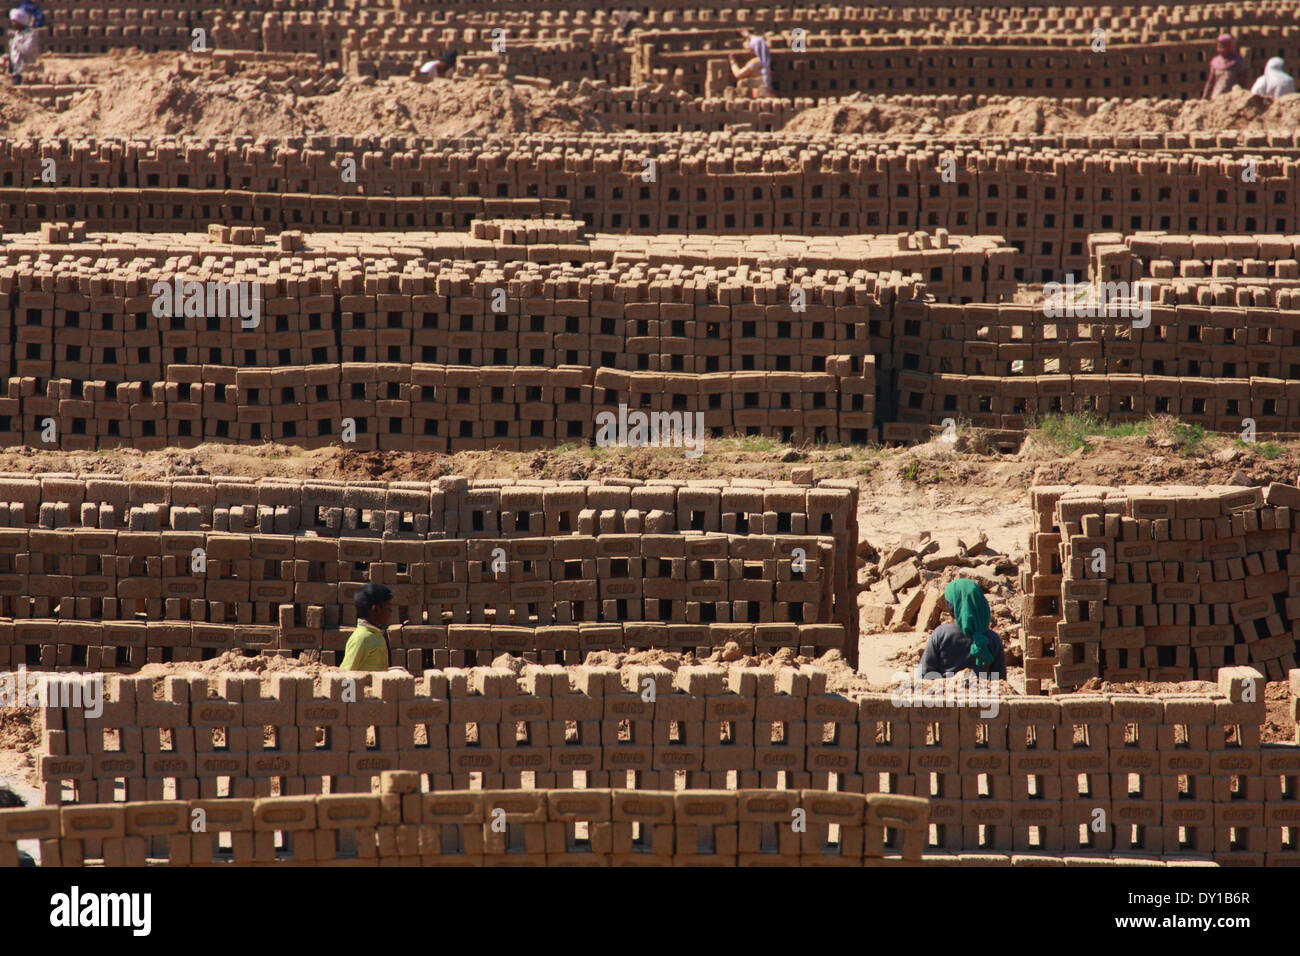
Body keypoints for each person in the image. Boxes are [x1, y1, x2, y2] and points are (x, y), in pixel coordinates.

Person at [917, 578, 1007, 681]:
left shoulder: (941, 634)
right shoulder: (993, 639)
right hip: (981, 695)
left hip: (946, 694)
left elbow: (924, 674)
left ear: (952, 608)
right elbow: (1000, 681)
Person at [340, 582, 393, 671]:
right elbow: (346, 674)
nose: (391, 611)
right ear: (376, 609)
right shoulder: (361, 638)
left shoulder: (375, 634)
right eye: (388, 607)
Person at [7, 3, 44, 87]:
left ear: (20, 22)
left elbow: (27, 50)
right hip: (16, 71)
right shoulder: (16, 35)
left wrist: (16, 42)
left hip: (25, 72)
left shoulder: (31, 35)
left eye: (14, 21)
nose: (13, 24)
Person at [1202, 33, 1249, 100]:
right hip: (1216, 98)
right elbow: (1210, 82)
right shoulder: (1215, 62)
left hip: (1231, 99)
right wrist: (1204, 98)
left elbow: (1243, 82)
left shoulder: (1238, 62)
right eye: (1219, 44)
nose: (1220, 47)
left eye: (1223, 45)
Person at [729, 27, 772, 98]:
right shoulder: (766, 59)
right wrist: (747, 35)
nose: (750, 51)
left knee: (741, 83)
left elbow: (738, 74)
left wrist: (733, 62)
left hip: (757, 92)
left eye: (751, 49)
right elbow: (759, 41)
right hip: (766, 87)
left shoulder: (754, 62)